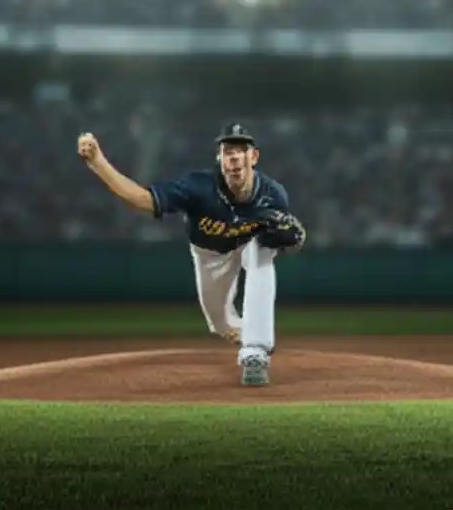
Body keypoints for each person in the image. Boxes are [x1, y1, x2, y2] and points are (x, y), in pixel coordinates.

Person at [76, 122, 305, 386]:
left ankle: (255, 351)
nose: (234, 156)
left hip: (246, 244)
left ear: (253, 157)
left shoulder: (273, 194)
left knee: (261, 252)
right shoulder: (198, 187)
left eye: (241, 150)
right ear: (220, 159)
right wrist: (98, 162)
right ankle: (240, 330)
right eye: (228, 150)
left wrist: (290, 242)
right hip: (209, 254)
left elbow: (289, 239)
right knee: (221, 325)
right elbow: (142, 199)